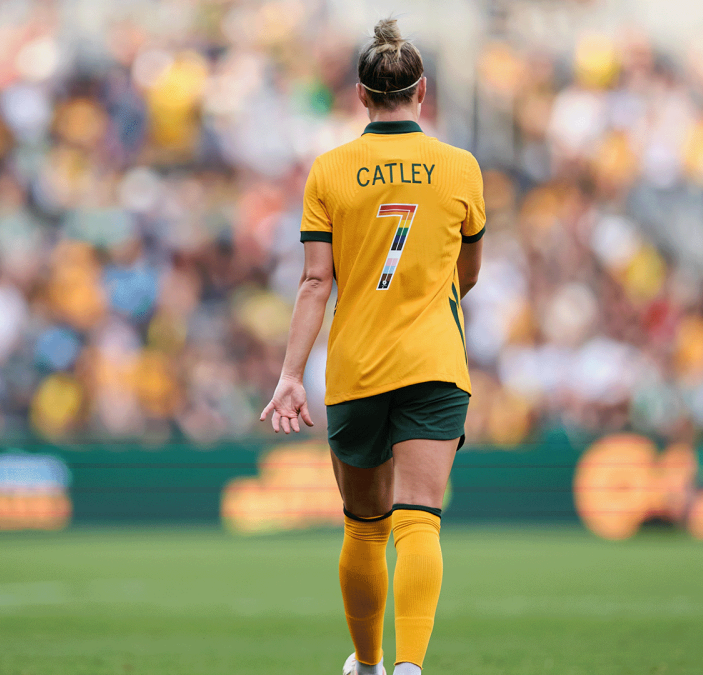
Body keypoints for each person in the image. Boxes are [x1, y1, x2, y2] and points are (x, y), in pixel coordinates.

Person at [259, 18, 485, 675]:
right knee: (420, 519)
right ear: (423, 90)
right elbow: (468, 274)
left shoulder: (329, 170)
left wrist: (290, 374)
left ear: (360, 94)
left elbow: (315, 281)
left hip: (357, 365)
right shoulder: (460, 167)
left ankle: (367, 663)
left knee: (364, 524)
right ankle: (411, 666)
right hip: (435, 361)